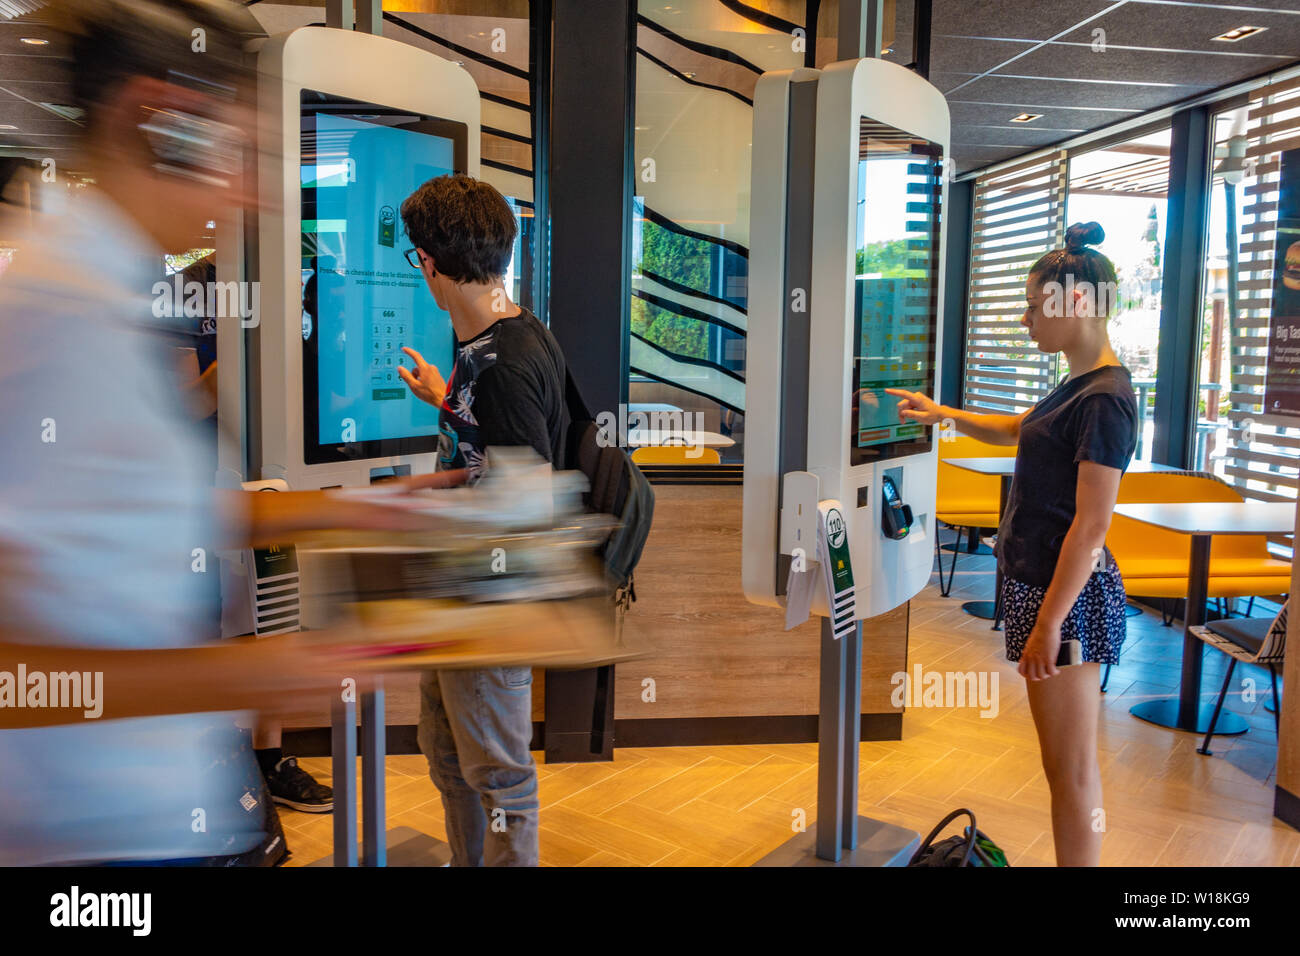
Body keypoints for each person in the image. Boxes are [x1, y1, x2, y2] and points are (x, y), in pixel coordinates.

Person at [0, 0, 453, 865]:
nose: (256, 191)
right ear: (147, 118)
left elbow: (128, 511)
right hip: (85, 840)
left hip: (151, 811)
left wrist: (355, 515)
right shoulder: (52, 309)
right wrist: (259, 676)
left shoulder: (110, 288)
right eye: (235, 153)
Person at [888, 221, 1137, 867]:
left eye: (1033, 305)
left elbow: (1091, 527)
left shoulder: (1106, 397)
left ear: (1074, 302)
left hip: (1067, 601)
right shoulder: (1077, 386)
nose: (1027, 320)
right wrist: (942, 413)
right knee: (1062, 766)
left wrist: (1049, 623)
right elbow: (1012, 430)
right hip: (1044, 590)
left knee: (1072, 770)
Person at [398, 174, 568, 867]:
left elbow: (527, 507)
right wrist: (445, 401)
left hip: (490, 600)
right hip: (463, 592)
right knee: (446, 753)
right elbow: (497, 447)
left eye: (417, 258)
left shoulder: (504, 363)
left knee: (498, 775)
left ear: (431, 264)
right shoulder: (501, 334)